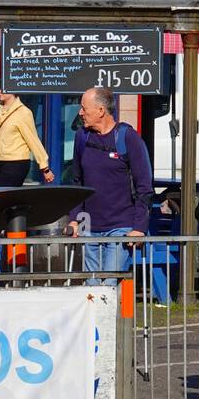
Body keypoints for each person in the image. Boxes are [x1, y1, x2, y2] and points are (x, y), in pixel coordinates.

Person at [64, 86, 153, 279]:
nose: (80, 113)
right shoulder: (82, 137)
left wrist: (139, 228)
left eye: (83, 108)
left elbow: (144, 186)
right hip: (89, 227)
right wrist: (74, 218)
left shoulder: (128, 138)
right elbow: (78, 182)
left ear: (100, 111)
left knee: (110, 287)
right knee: (92, 289)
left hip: (120, 227)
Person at [0, 87, 54, 187]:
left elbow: (33, 140)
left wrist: (45, 168)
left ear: (13, 91)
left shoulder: (24, 112)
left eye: (2, 89)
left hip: (17, 163)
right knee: (5, 198)